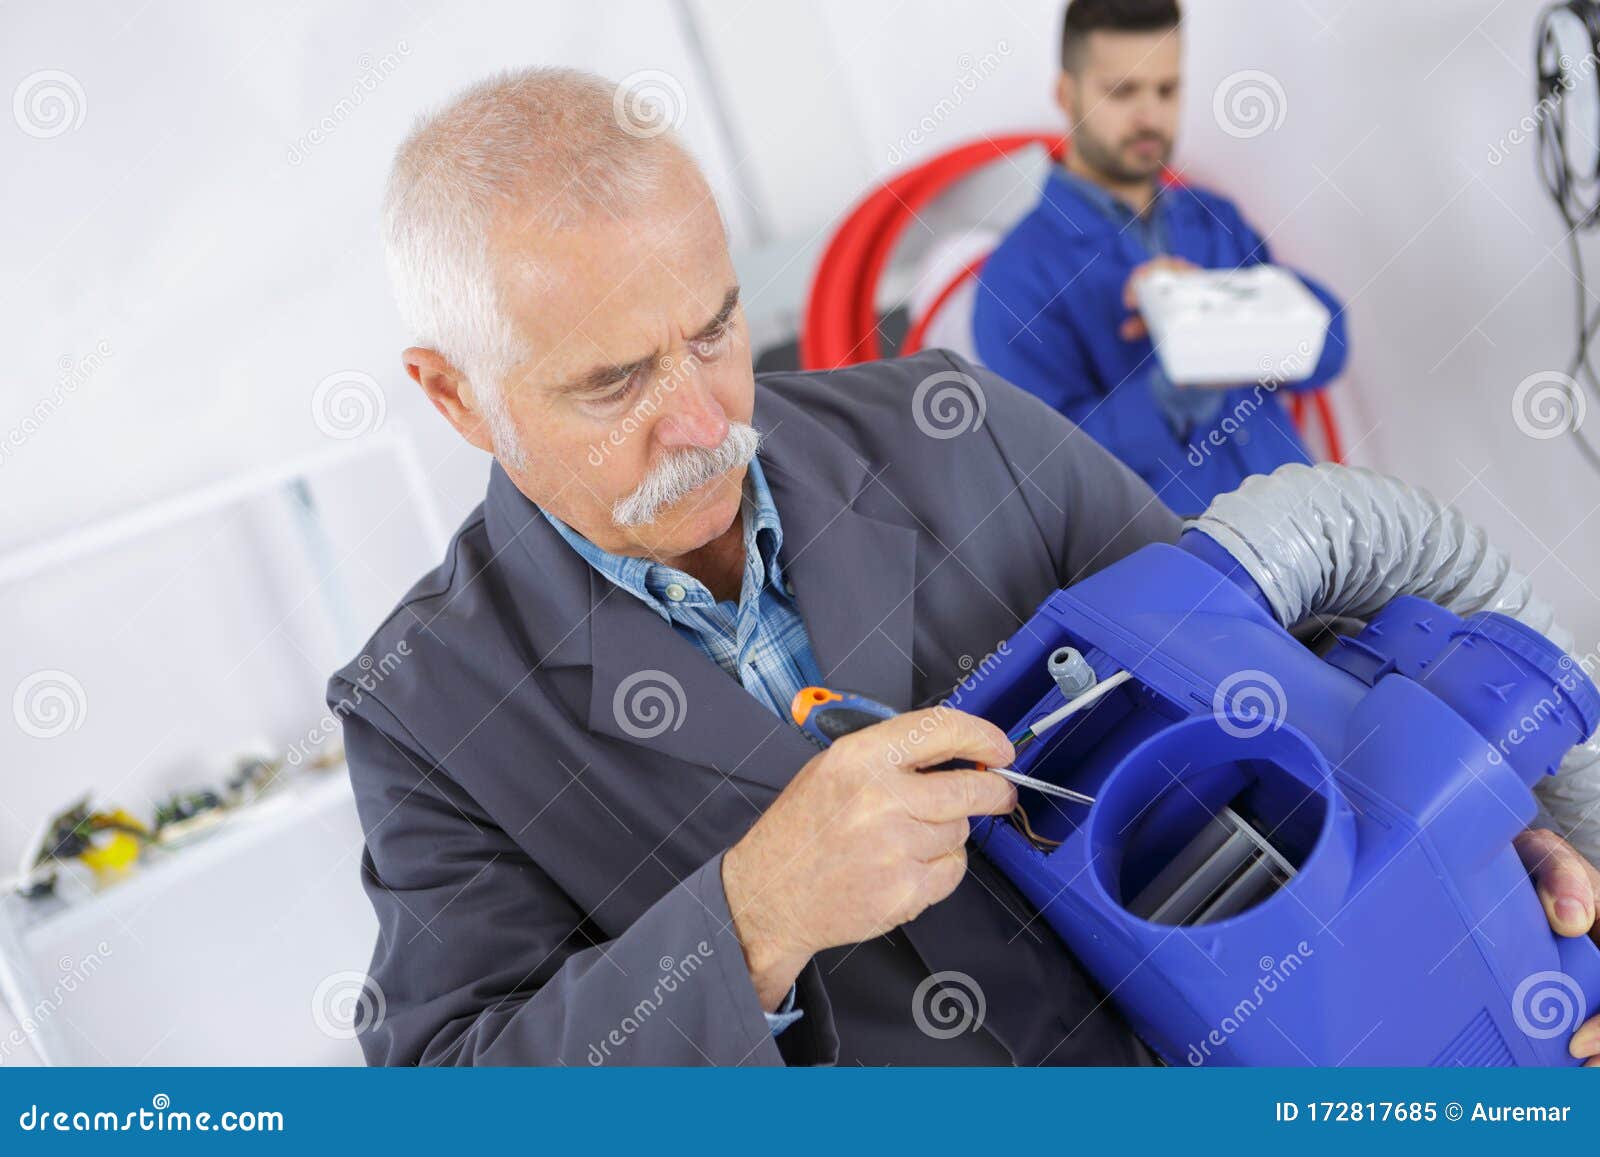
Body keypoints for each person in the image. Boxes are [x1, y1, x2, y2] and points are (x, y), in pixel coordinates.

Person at [332, 67, 1600, 1066]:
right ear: (453, 395)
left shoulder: (957, 427)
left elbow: (1267, 674)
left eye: (714, 328)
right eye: (614, 380)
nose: (706, 420)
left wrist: (1491, 833)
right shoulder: (425, 707)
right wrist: (751, 921)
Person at [972, 0, 1349, 512]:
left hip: (1313, 530)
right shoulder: (1016, 279)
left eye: (1166, 89)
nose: (1149, 117)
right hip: (1177, 568)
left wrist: (1219, 307)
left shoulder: (1213, 220)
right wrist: (1169, 396)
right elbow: (1050, 472)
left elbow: (1328, 345)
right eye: (1122, 91)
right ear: (1066, 94)